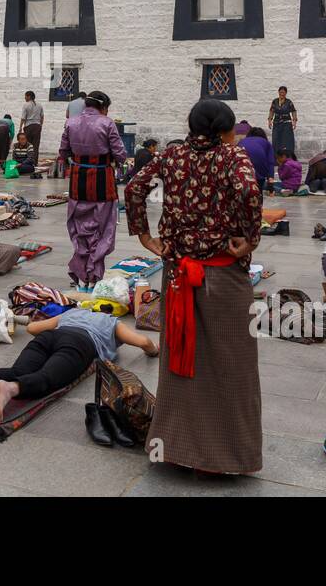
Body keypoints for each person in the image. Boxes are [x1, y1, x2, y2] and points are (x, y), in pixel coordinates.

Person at [124, 97, 264, 476]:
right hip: (223, 276)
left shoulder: (171, 156)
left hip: (177, 274)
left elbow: (135, 186)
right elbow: (250, 193)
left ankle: (178, 448)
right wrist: (250, 238)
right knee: (231, 364)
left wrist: (143, 234)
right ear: (222, 130)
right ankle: (226, 457)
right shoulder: (231, 157)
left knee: (181, 360)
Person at [0, 309, 159, 424]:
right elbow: (143, 342)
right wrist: (154, 350)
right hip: (80, 344)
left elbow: (31, 328)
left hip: (51, 336)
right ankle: (11, 388)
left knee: (18, 370)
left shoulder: (72, 312)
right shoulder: (112, 322)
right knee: (47, 377)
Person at [58, 91, 126, 292]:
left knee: (79, 227)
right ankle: (94, 274)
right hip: (102, 180)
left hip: (78, 180)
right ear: (103, 107)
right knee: (103, 227)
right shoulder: (107, 123)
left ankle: (81, 274)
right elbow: (120, 153)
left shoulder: (71, 123)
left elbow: (63, 152)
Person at [238, 126, 276, 192]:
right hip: (259, 164)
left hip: (241, 162)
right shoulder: (266, 142)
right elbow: (271, 162)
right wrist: (270, 180)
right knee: (259, 185)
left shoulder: (242, 141)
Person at [267, 86, 298, 158]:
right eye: (280, 92)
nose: (282, 94)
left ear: (286, 93)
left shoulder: (289, 102)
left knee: (287, 141)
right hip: (276, 123)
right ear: (278, 92)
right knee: (276, 140)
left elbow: (293, 111)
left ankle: (288, 157)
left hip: (286, 124)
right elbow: (271, 111)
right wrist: (269, 121)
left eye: (283, 92)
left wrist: (294, 121)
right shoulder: (274, 101)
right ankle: (277, 158)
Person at [21, 91, 44, 159]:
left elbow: (23, 118)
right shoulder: (39, 105)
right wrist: (40, 125)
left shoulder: (26, 105)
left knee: (28, 145)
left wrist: (20, 127)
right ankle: (35, 161)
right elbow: (42, 116)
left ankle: (27, 160)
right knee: (36, 145)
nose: (24, 98)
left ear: (29, 96)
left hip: (28, 127)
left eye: (25, 96)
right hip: (37, 126)